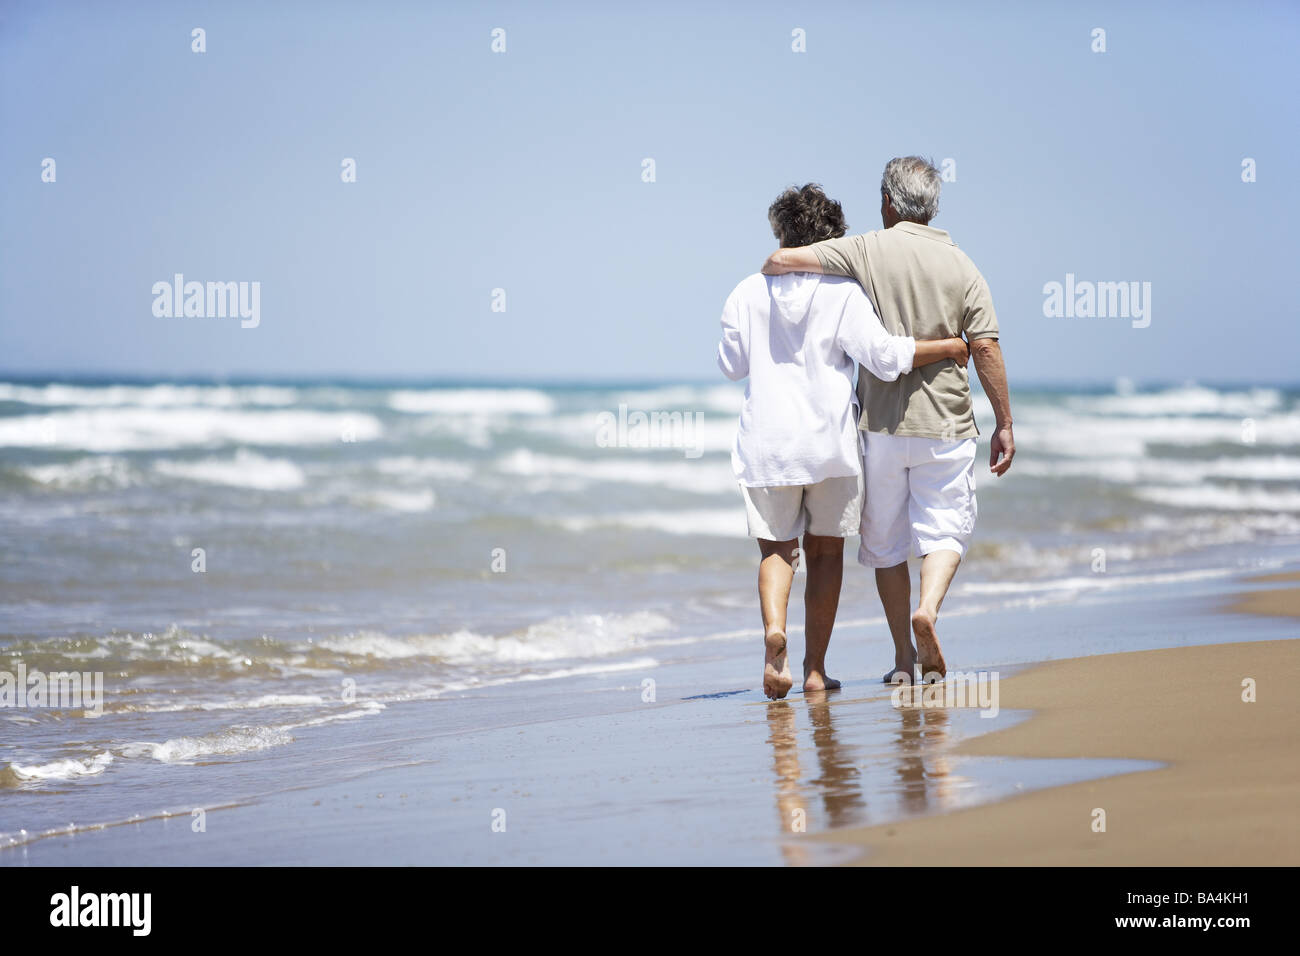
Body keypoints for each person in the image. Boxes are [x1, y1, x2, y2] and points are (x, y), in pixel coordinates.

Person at [762, 157, 1015, 685]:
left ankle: (903, 657)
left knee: (885, 546)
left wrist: (774, 271)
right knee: (945, 530)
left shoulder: (865, 250)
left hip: (880, 428)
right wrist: (1005, 422)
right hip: (946, 424)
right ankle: (929, 609)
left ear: (888, 203)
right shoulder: (963, 265)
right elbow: (986, 347)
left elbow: (787, 258)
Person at [719, 183, 969, 700]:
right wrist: (945, 345)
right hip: (829, 442)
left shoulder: (746, 290)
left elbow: (731, 365)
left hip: (767, 442)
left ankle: (774, 631)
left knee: (777, 550)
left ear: (783, 234)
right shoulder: (843, 292)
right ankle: (814, 670)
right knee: (826, 554)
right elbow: (883, 357)